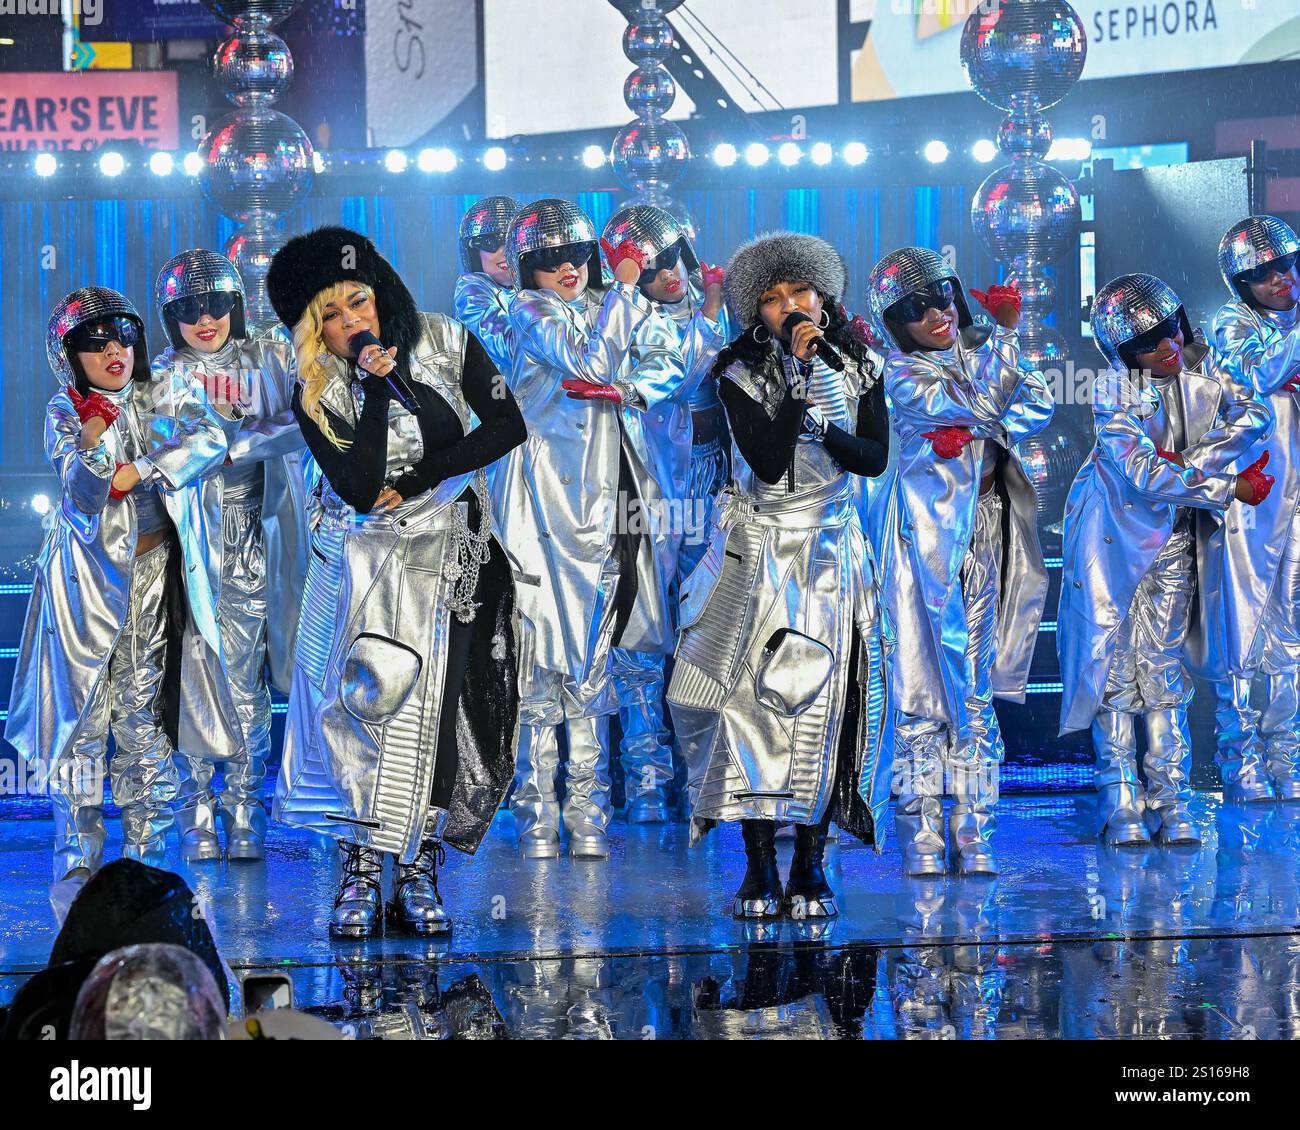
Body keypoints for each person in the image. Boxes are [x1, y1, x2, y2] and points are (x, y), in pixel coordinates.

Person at [267, 226, 526, 938]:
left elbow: (508, 425)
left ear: (382, 292)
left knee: (439, 711)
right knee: (358, 706)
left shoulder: (447, 339)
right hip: (356, 559)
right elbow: (355, 486)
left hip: (448, 554)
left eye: (361, 301)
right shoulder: (312, 388)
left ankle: (418, 864)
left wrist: (421, 477)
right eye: (333, 315)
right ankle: (358, 863)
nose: (355, 321)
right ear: (312, 329)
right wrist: (378, 388)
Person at [666, 232, 892, 920]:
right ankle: (758, 863)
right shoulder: (733, 370)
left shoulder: (863, 364)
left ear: (825, 296)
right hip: (760, 544)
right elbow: (764, 459)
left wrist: (823, 423)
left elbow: (873, 458)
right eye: (772, 299)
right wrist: (794, 383)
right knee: (747, 703)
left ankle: (811, 863)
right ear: (753, 311)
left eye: (800, 292)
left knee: (828, 705)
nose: (790, 307)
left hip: (831, 550)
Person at [5, 289, 227, 884]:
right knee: (82, 715)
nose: (115, 350)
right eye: (96, 341)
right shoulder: (64, 411)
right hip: (81, 579)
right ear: (69, 355)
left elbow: (211, 440)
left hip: (153, 570)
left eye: (124, 335)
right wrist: (98, 441)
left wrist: (148, 466)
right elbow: (83, 489)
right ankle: (77, 856)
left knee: (143, 710)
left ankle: (147, 851)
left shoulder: (165, 392)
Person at [1058, 274, 1273, 846]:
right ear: (1125, 354)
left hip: (1176, 540)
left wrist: (1200, 463)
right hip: (1110, 541)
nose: (1168, 347)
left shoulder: (1206, 385)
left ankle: (1171, 798)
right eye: (1150, 343)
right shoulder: (1111, 391)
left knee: (1164, 672)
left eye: (1172, 331)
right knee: (1109, 666)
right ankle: (1121, 798)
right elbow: (1141, 473)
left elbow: (1258, 417)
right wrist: (1224, 486)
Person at [867, 248, 1053, 878]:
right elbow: (982, 408)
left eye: (944, 298)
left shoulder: (976, 358)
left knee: (973, 690)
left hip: (986, 537)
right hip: (917, 549)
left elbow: (1036, 406)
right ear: (897, 322)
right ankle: (919, 831)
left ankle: (974, 829)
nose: (938, 314)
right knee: (918, 686)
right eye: (918, 308)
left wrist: (986, 392)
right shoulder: (896, 373)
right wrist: (1002, 350)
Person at [497, 197, 673, 859]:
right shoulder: (529, 310)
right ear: (529, 268)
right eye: (549, 260)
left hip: (599, 501)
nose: (567, 268)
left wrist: (634, 389)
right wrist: (625, 293)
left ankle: (591, 813)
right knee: (540, 665)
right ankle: (538, 816)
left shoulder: (608, 307)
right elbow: (592, 363)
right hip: (538, 504)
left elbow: (662, 362)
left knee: (592, 662)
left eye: (576, 256)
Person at [152, 249, 309, 862]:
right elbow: (162, 454)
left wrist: (232, 445)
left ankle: (245, 802)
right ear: (172, 316)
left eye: (217, 304)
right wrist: (209, 447)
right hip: (183, 541)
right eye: (190, 308)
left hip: (254, 535)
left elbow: (305, 421)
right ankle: (194, 804)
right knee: (191, 674)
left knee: (244, 678)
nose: (205, 318)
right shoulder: (159, 375)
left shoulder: (265, 356)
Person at [600, 203, 729, 824]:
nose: (670, 274)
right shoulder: (626, 317)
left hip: (713, 481)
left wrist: (711, 308)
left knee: (708, 627)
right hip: (650, 483)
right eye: (650, 269)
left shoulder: (717, 312)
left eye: (674, 259)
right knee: (644, 629)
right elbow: (671, 377)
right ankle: (647, 778)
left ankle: (707, 778)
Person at [1195, 215, 1300, 802]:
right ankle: (1240, 760)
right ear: (1242, 281)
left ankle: (1286, 753)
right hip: (1252, 493)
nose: (1282, 280)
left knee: (1293, 629)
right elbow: (1258, 375)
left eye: (1287, 265)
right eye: (1265, 273)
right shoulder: (1231, 322)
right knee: (1244, 626)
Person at [452, 195, 519, 376]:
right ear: (474, 252)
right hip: (499, 397)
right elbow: (511, 349)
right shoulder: (471, 291)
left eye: (512, 242)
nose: (505, 252)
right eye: (491, 243)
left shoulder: (531, 288)